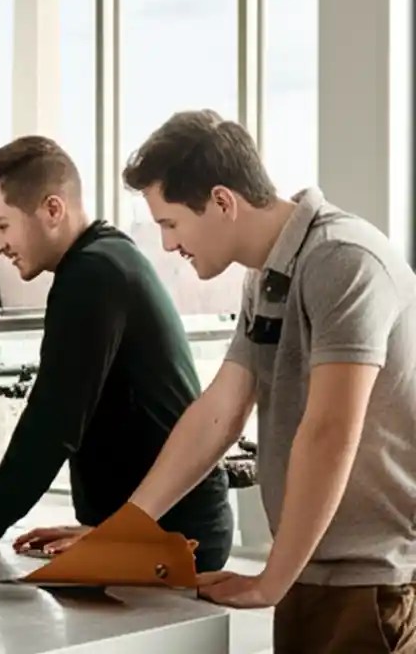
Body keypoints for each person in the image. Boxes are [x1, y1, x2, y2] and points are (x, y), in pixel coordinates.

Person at [119, 110, 416, 651]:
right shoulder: (268, 277)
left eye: (170, 223)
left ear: (223, 202)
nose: (166, 245)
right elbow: (220, 411)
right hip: (311, 571)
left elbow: (330, 430)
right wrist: (124, 531)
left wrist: (270, 579)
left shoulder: (342, 259)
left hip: (372, 583)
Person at [0, 136, 234, 572]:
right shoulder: (106, 257)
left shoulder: (93, 275)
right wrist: (98, 528)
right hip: (158, 525)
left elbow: (56, 415)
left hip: (175, 537)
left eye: (1, 225)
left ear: (52, 209)